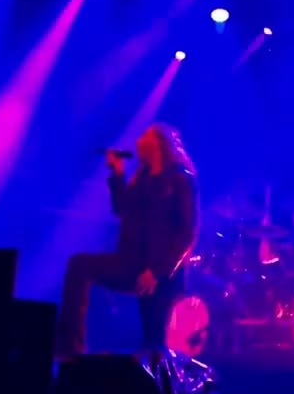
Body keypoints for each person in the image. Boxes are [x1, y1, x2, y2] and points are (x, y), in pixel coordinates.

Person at [56, 124, 197, 357]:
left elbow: (186, 233)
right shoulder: (142, 176)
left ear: (157, 143)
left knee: (153, 341)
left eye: (145, 136)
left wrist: (157, 272)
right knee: (79, 265)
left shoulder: (181, 179)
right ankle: (69, 346)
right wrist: (117, 174)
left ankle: (157, 385)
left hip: (161, 272)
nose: (138, 141)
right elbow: (123, 208)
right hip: (131, 262)